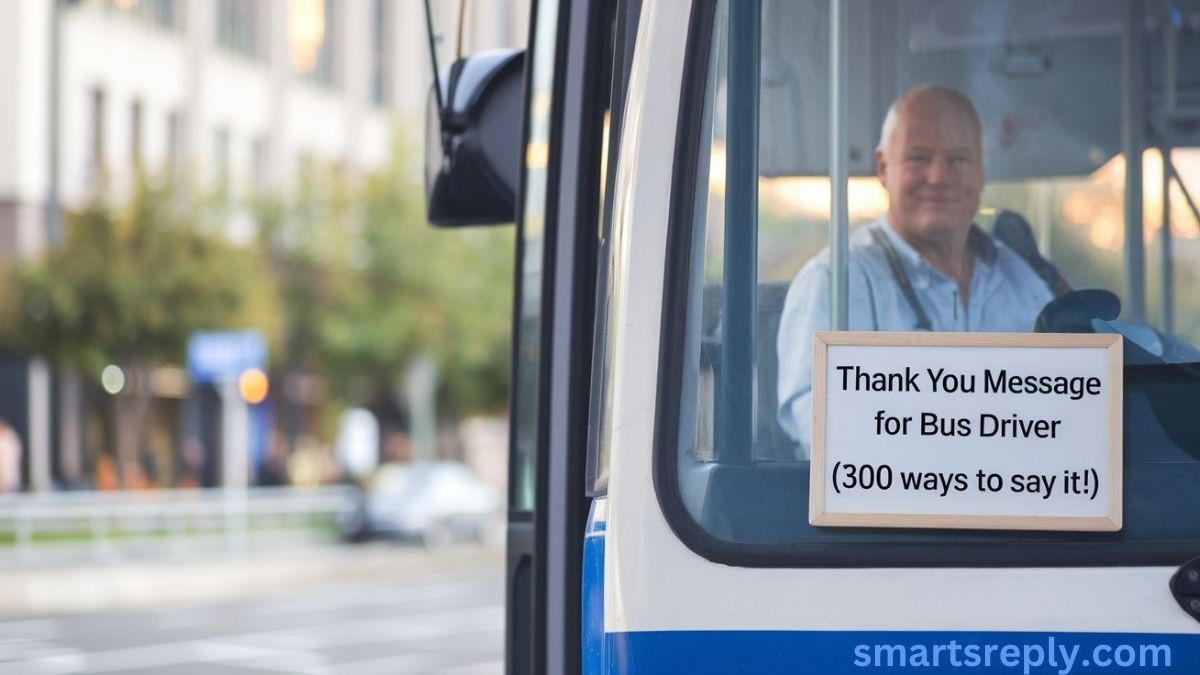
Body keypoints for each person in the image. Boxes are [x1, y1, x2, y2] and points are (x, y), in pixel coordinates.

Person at [776, 85, 1055, 457]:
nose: (938, 176)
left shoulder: (1023, 281)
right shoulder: (835, 283)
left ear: (981, 172)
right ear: (883, 167)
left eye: (958, 159)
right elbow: (820, 434)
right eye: (918, 158)